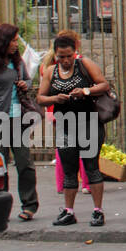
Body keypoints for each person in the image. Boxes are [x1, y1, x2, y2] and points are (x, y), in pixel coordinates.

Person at [38, 33, 110, 227]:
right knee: (69, 169)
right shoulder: (50, 71)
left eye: (69, 55)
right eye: (62, 56)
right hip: (65, 126)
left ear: (74, 52)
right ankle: (69, 211)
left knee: (91, 167)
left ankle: (97, 211)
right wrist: (55, 99)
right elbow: (40, 98)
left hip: (89, 123)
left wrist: (85, 91)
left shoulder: (84, 65)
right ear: (56, 56)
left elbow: (103, 85)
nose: (66, 60)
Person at [0, 24, 39, 222]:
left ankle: (29, 205)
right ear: (3, 41)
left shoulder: (17, 62)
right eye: (13, 40)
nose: (15, 44)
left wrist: (25, 84)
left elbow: (28, 80)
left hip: (17, 118)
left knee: (25, 163)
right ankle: (0, 205)